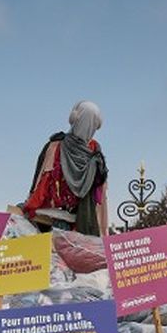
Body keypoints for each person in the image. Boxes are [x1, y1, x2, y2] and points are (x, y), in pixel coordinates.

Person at [22, 100, 110, 237]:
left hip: (53, 220)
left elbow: (43, 183)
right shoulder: (96, 155)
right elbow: (100, 198)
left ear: (74, 118)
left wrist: (29, 208)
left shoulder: (56, 147)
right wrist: (101, 230)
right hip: (85, 223)